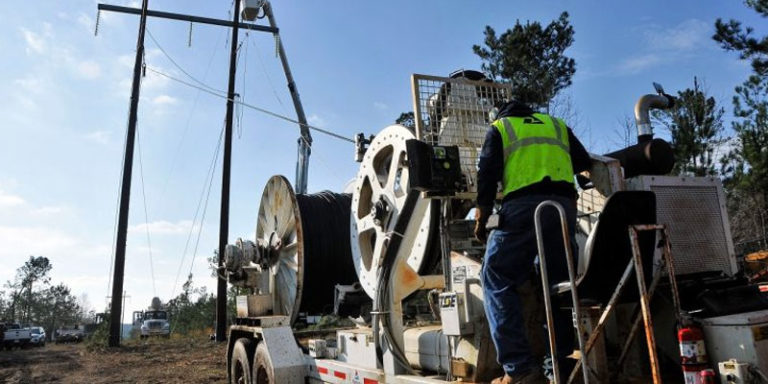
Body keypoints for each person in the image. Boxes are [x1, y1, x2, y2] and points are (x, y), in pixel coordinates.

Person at [475, 99, 591, 384]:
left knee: (496, 276)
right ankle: (562, 364)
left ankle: (520, 368)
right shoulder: (556, 125)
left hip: (524, 209)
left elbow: (487, 174)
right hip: (563, 208)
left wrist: (482, 215)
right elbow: (584, 163)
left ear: (498, 114)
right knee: (557, 285)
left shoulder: (500, 127)